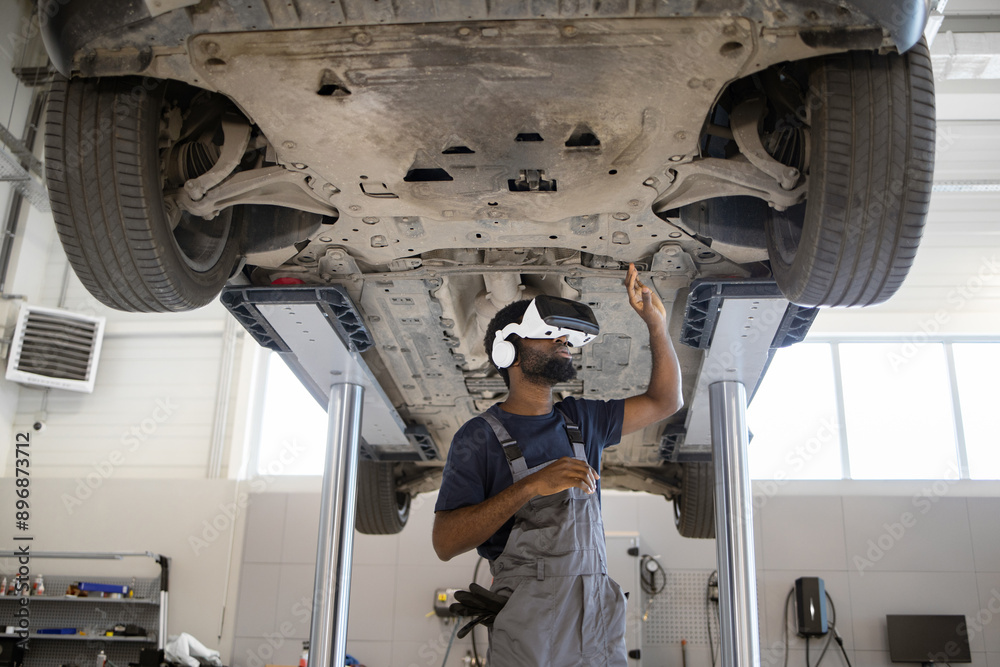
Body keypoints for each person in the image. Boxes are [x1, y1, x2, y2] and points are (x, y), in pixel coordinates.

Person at [432, 263, 683, 667]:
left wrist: (656, 324)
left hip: (597, 614)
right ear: (508, 349)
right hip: (530, 623)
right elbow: (445, 543)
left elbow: (665, 402)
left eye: (564, 334)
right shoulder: (478, 437)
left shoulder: (583, 420)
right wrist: (529, 487)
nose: (563, 339)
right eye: (548, 333)